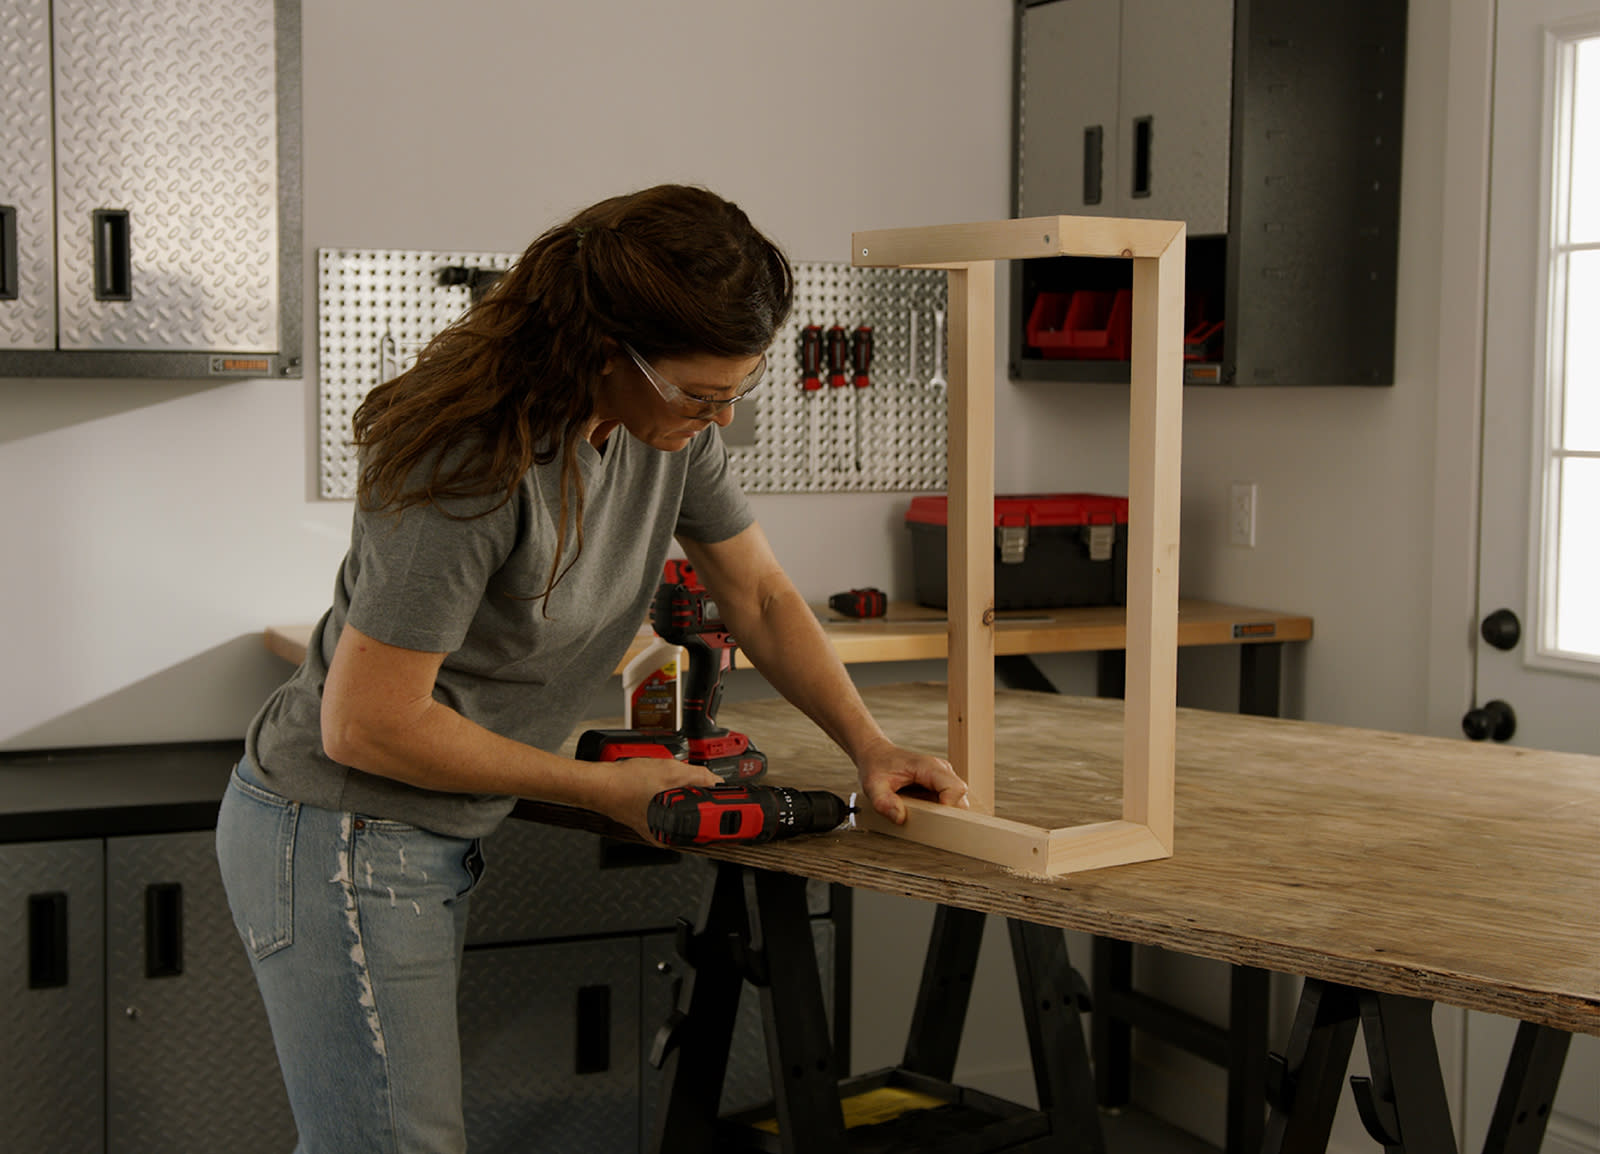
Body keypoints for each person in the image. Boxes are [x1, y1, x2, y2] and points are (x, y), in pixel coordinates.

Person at [215, 183, 969, 1153]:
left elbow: (761, 596)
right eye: (700, 394)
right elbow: (366, 724)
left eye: (734, 393)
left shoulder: (664, 434)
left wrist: (870, 745)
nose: (719, 418)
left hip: (429, 823)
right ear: (606, 350)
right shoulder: (468, 455)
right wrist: (602, 788)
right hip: (342, 828)